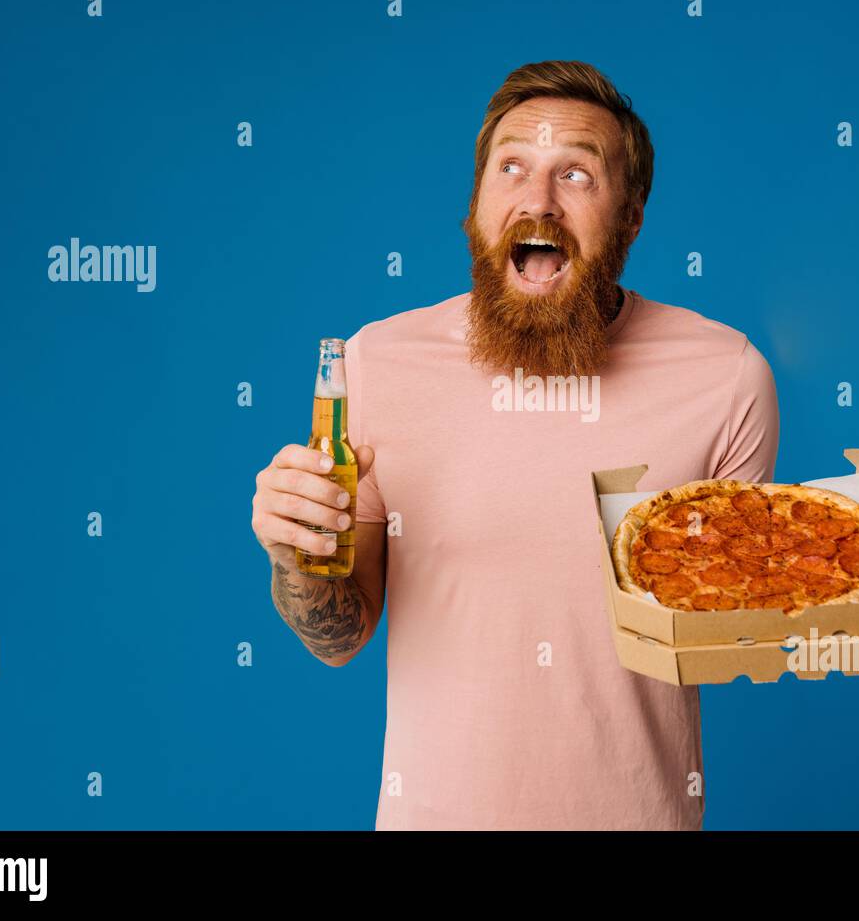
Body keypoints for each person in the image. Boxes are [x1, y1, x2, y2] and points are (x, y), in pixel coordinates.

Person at [251, 60, 780, 830]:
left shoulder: (726, 377)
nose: (539, 201)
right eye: (512, 168)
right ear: (475, 205)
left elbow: (724, 642)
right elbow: (340, 634)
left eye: (576, 174)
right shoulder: (377, 365)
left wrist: (785, 593)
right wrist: (294, 554)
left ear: (630, 216)